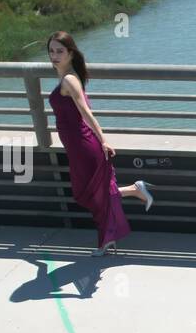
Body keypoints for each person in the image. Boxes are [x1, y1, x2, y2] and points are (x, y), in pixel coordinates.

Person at [46, 31, 154, 256]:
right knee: (89, 192)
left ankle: (106, 240)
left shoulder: (68, 79)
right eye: (51, 51)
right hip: (75, 145)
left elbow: (85, 112)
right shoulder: (66, 75)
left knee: (92, 194)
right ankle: (135, 190)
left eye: (60, 51)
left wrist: (103, 140)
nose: (54, 56)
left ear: (70, 53)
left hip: (84, 145)